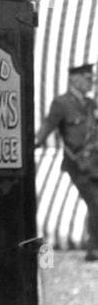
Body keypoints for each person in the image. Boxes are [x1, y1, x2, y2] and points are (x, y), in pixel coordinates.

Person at [35, 62, 98, 263]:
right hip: (77, 165)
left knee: (95, 203)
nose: (91, 83)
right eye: (88, 79)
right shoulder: (61, 104)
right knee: (95, 201)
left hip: (95, 163)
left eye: (92, 79)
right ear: (75, 79)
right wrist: (35, 143)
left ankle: (94, 246)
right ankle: (94, 248)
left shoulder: (90, 104)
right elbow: (46, 127)